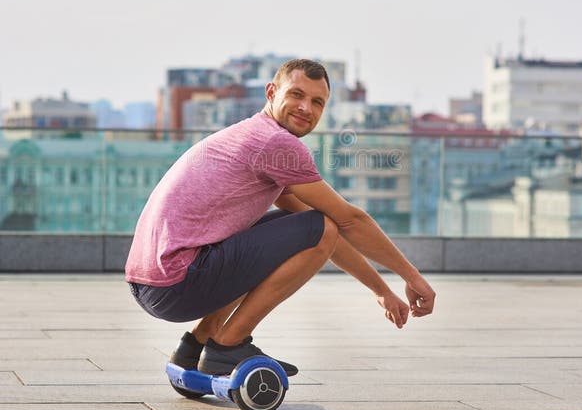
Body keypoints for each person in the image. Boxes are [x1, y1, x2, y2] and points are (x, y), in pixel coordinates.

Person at [126, 58, 435, 379]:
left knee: (298, 230)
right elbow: (348, 221)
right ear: (271, 92)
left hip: (152, 283)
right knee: (318, 226)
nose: (306, 108)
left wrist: (380, 289)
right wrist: (413, 278)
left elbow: (323, 236)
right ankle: (227, 346)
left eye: (317, 102)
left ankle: (195, 347)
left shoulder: (253, 135)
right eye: (297, 95)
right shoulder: (276, 142)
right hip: (177, 283)